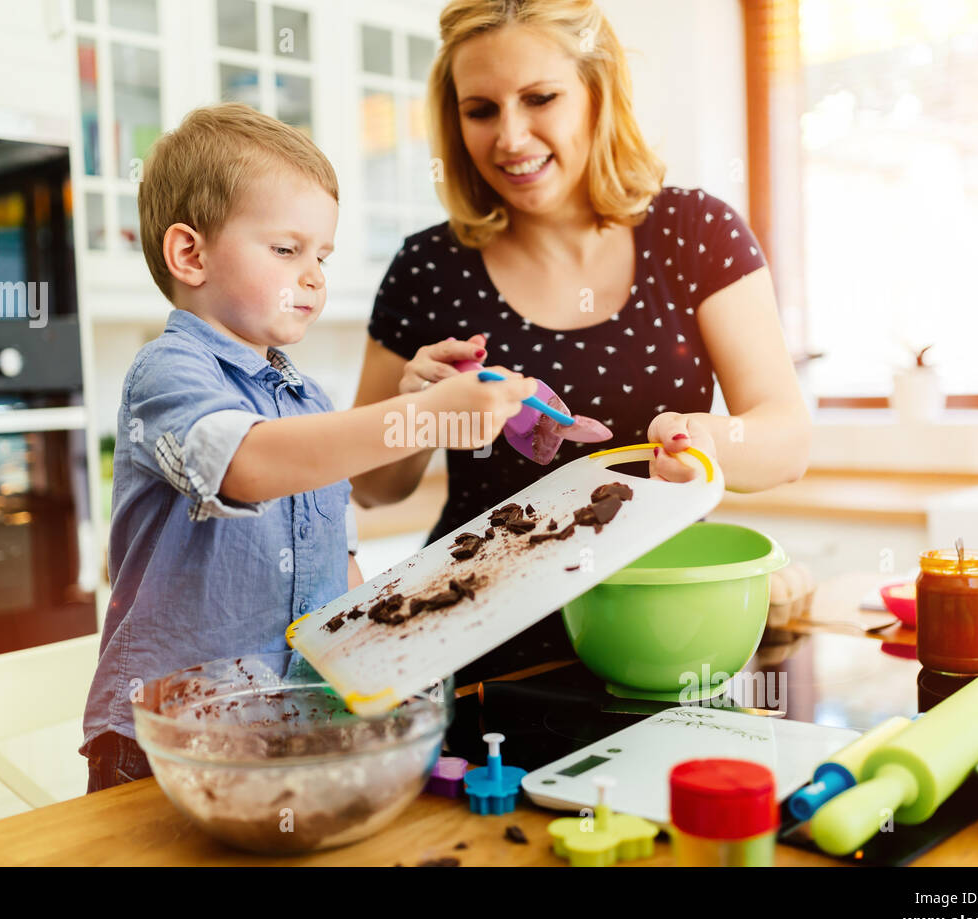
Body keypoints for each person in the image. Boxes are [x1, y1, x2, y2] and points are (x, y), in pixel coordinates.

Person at [351, 0, 811, 719]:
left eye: (540, 98)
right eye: (480, 109)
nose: (510, 137)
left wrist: (710, 443)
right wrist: (414, 415)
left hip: (662, 628)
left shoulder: (695, 232)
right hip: (480, 651)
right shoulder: (427, 268)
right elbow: (375, 488)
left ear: (598, 91)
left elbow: (785, 437)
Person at [82, 103, 537, 791]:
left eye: (321, 254)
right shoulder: (168, 372)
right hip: (169, 747)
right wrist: (420, 420)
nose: (316, 275)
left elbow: (340, 561)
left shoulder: (306, 400)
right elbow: (248, 466)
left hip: (290, 731)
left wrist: (410, 403)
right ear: (190, 254)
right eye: (287, 249)